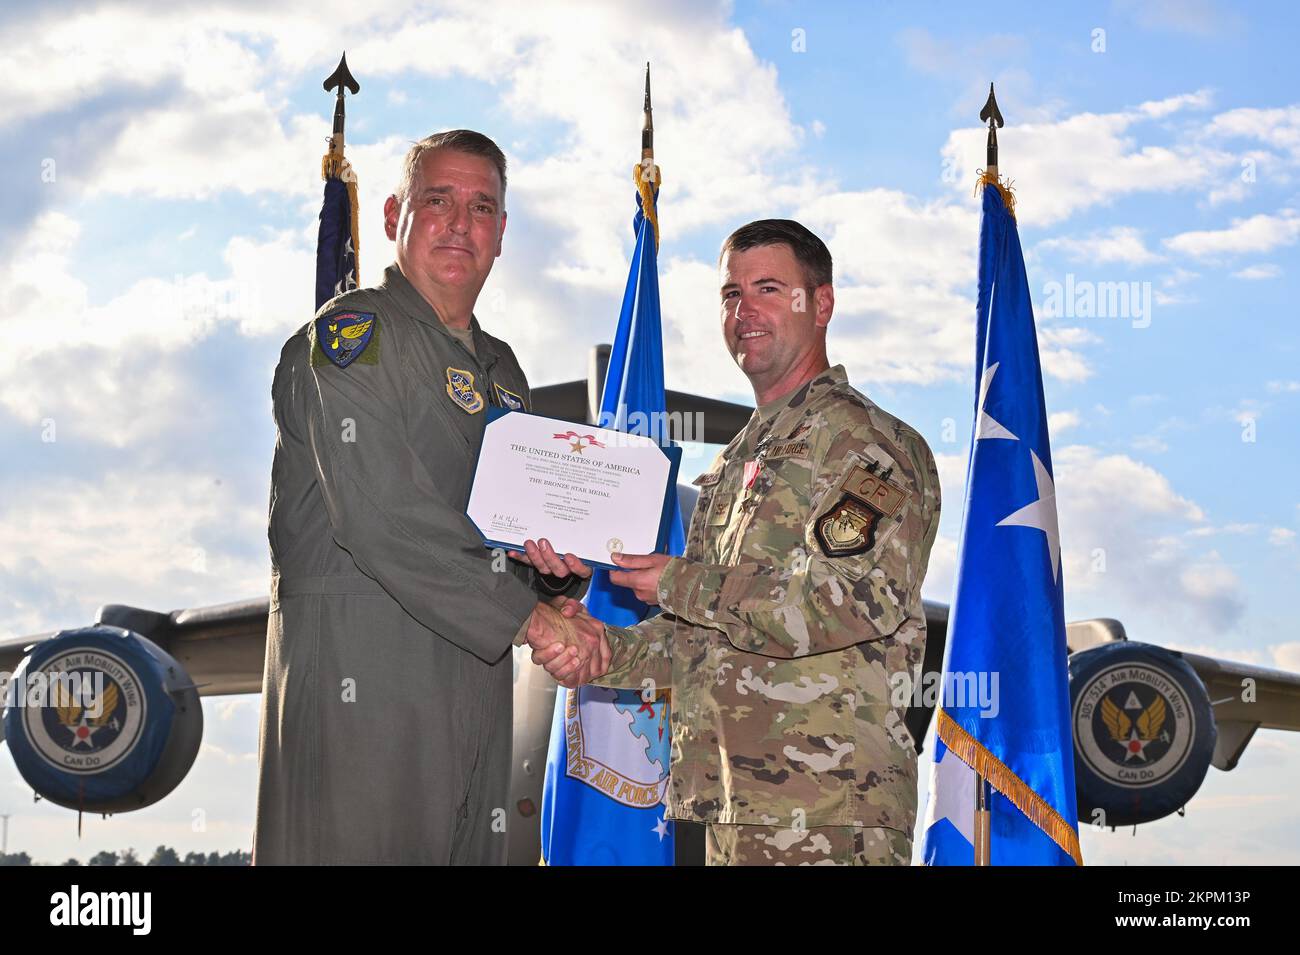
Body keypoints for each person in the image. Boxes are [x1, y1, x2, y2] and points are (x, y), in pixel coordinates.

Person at [530, 219, 941, 865]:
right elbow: (701, 637)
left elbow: (847, 602)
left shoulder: (865, 443)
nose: (744, 310)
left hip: (830, 815)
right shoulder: (731, 464)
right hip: (732, 805)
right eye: (730, 294)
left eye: (769, 288)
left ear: (822, 303)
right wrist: (599, 648)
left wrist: (674, 580)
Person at [254, 129, 605, 865]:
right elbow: (385, 516)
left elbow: (503, 526)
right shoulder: (348, 341)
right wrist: (531, 619)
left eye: (482, 208)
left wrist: (555, 573)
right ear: (393, 216)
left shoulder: (501, 370)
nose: (459, 223)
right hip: (366, 693)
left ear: (502, 235)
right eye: (436, 200)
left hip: (476, 691)